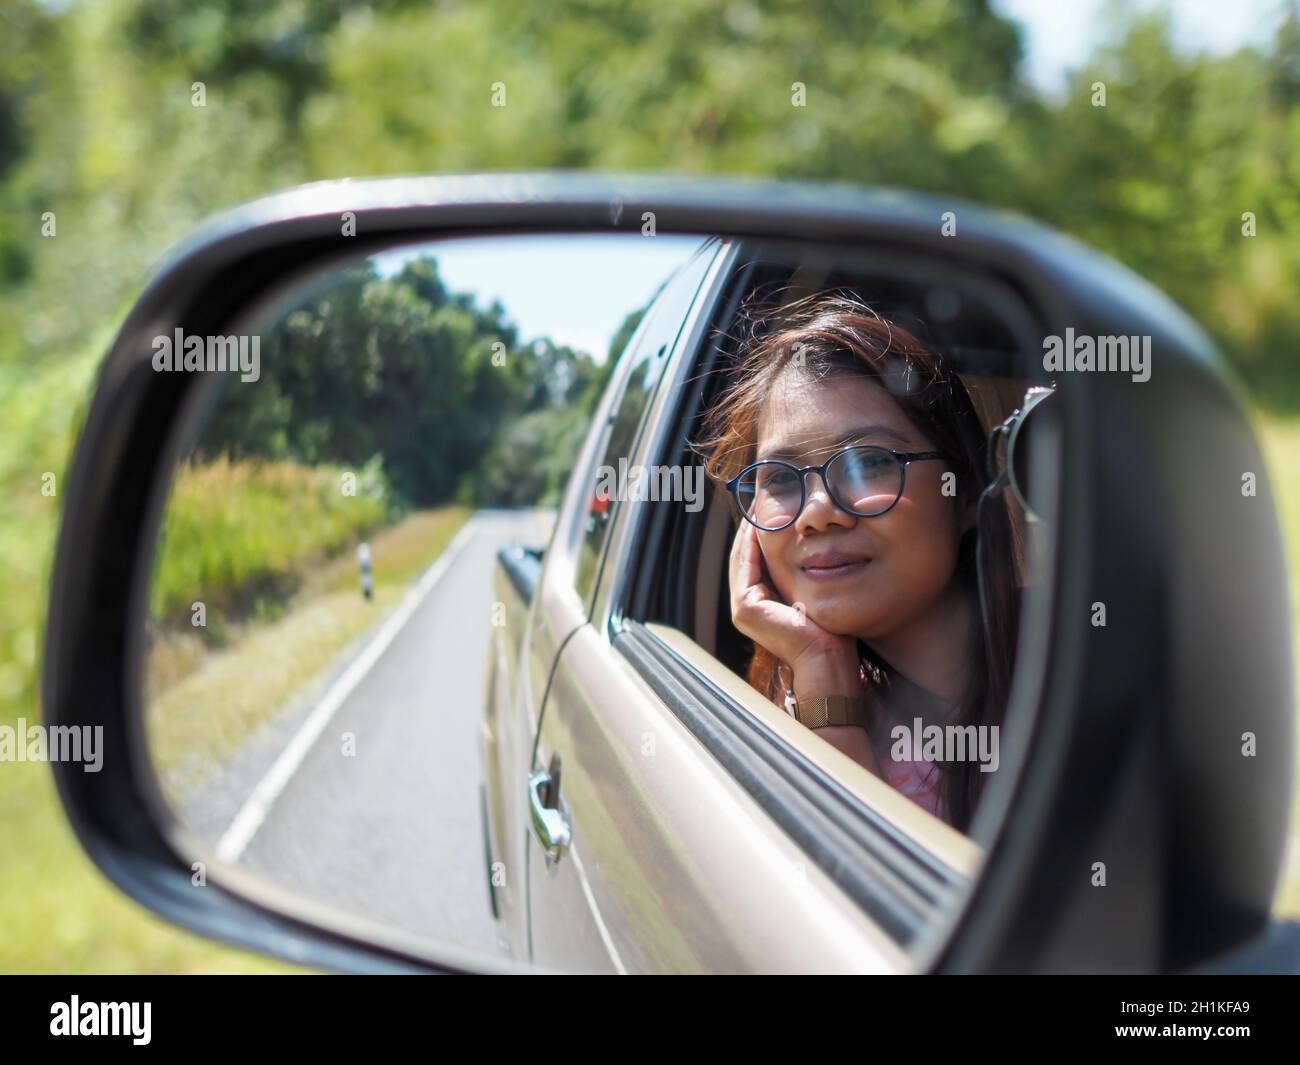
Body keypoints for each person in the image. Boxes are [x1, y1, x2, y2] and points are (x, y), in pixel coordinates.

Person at [694, 291, 1022, 832]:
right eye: (779, 477)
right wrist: (821, 672)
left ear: (964, 495)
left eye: (870, 462)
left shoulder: (1070, 679)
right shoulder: (785, 711)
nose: (818, 515)